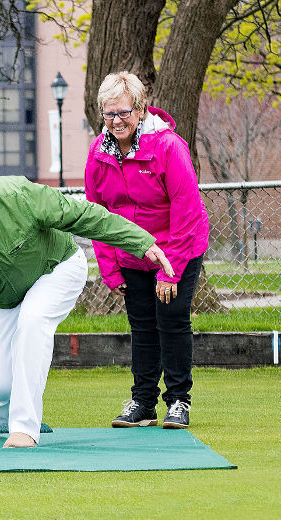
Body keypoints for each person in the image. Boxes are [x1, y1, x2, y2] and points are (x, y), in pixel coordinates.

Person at [0, 158, 174, 448]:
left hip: (58, 268)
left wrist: (142, 243)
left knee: (34, 320)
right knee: (2, 382)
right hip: (7, 297)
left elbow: (82, 215)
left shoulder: (16, 195)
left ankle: (24, 428)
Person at [84, 71, 209, 429]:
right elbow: (97, 216)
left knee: (170, 320)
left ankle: (179, 401)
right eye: (109, 114)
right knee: (142, 326)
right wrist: (109, 268)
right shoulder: (98, 152)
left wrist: (171, 271)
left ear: (139, 110)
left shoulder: (168, 146)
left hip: (175, 246)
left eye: (123, 113)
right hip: (131, 253)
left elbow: (186, 209)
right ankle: (143, 402)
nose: (116, 121)